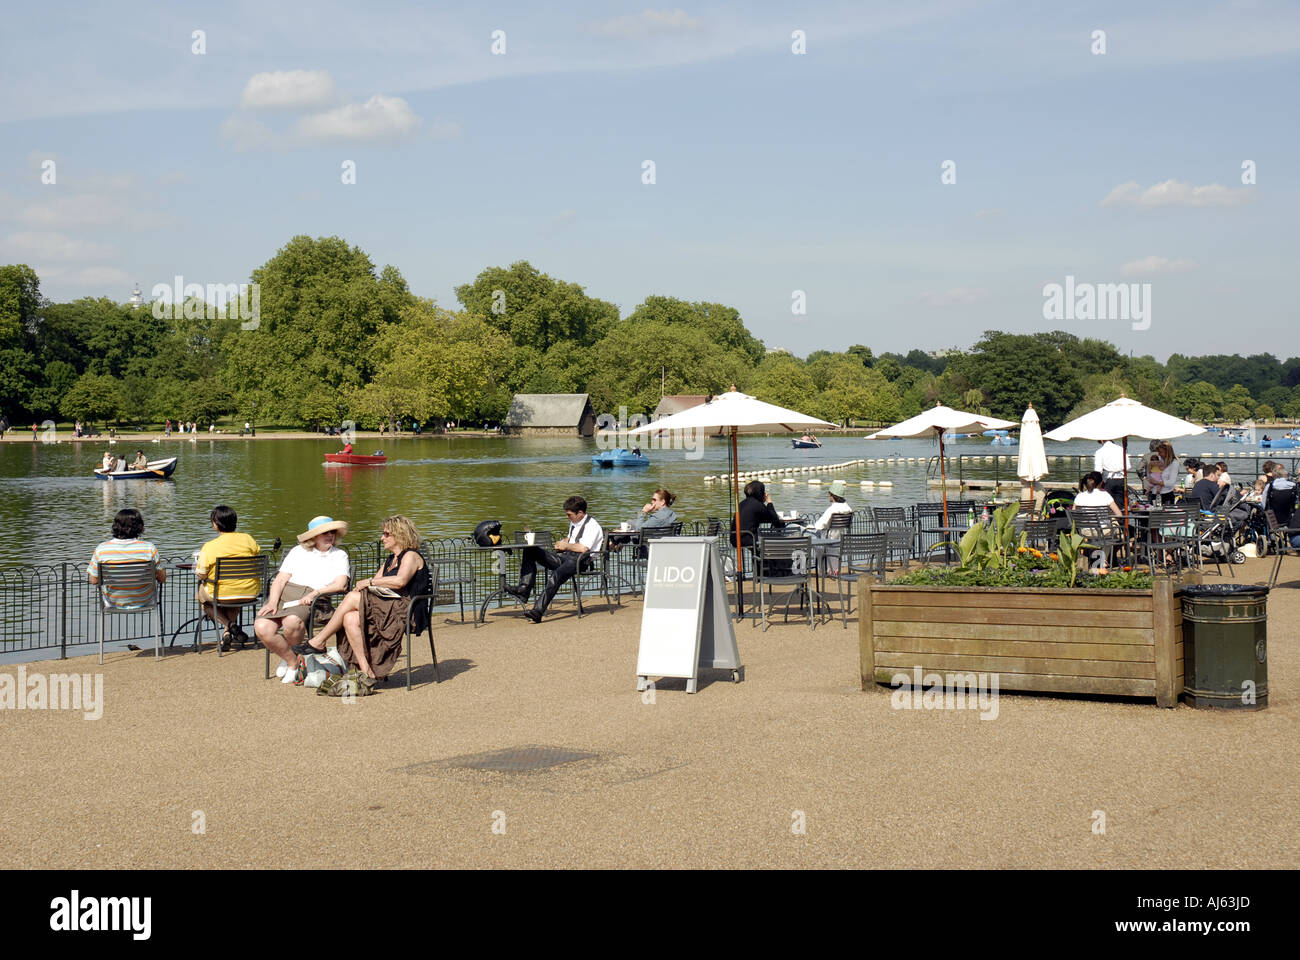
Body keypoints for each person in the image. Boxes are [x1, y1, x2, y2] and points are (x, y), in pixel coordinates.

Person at [300, 515, 428, 684]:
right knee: (350, 617)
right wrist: (362, 587)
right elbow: (374, 588)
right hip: (389, 607)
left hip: (408, 611)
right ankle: (365, 670)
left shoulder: (410, 556)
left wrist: (368, 582)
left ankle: (319, 640)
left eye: (386, 534)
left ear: (400, 534)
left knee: (353, 597)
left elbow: (400, 581)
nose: (382, 538)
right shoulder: (391, 560)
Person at [255, 516, 351, 682]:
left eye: (332, 532)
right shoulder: (297, 551)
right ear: (314, 536)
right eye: (325, 533)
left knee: (291, 622)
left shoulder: (339, 555)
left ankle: (292, 664)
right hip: (286, 593)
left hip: (314, 597)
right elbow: (280, 579)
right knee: (261, 626)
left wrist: (315, 593)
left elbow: (341, 585)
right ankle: (291, 659)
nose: (330, 536)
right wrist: (272, 602)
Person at [505, 496, 604, 623]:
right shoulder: (574, 523)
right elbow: (571, 540)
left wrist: (566, 546)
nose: (567, 517)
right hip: (566, 557)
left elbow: (584, 548)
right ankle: (524, 589)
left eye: (569, 515)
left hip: (581, 561)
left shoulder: (592, 526)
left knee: (555, 575)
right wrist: (561, 543)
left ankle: (537, 611)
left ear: (580, 513)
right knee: (530, 550)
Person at [195, 505, 262, 650]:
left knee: (202, 597)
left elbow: (201, 573)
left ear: (215, 524)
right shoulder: (248, 539)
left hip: (220, 593)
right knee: (235, 595)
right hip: (249, 591)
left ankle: (229, 626)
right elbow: (257, 553)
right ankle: (228, 632)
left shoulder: (210, 546)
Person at [88, 508, 167, 605]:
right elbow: (162, 578)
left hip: (112, 601)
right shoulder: (149, 548)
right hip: (144, 600)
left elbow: (93, 580)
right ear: (139, 527)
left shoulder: (102, 549)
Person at [1074, 472, 1122, 573]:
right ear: (1100, 483)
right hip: (1102, 531)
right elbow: (1119, 514)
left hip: (1085, 531)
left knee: (1108, 532)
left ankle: (1098, 559)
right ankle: (1103, 560)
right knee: (1115, 531)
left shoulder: (1080, 496)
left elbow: (1074, 513)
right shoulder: (1105, 495)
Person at [736, 479, 785, 546]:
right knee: (777, 536)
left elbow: (759, 516)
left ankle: (757, 556)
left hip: (736, 537)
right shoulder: (757, 505)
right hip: (747, 538)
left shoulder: (742, 503)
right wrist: (769, 502)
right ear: (761, 493)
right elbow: (774, 519)